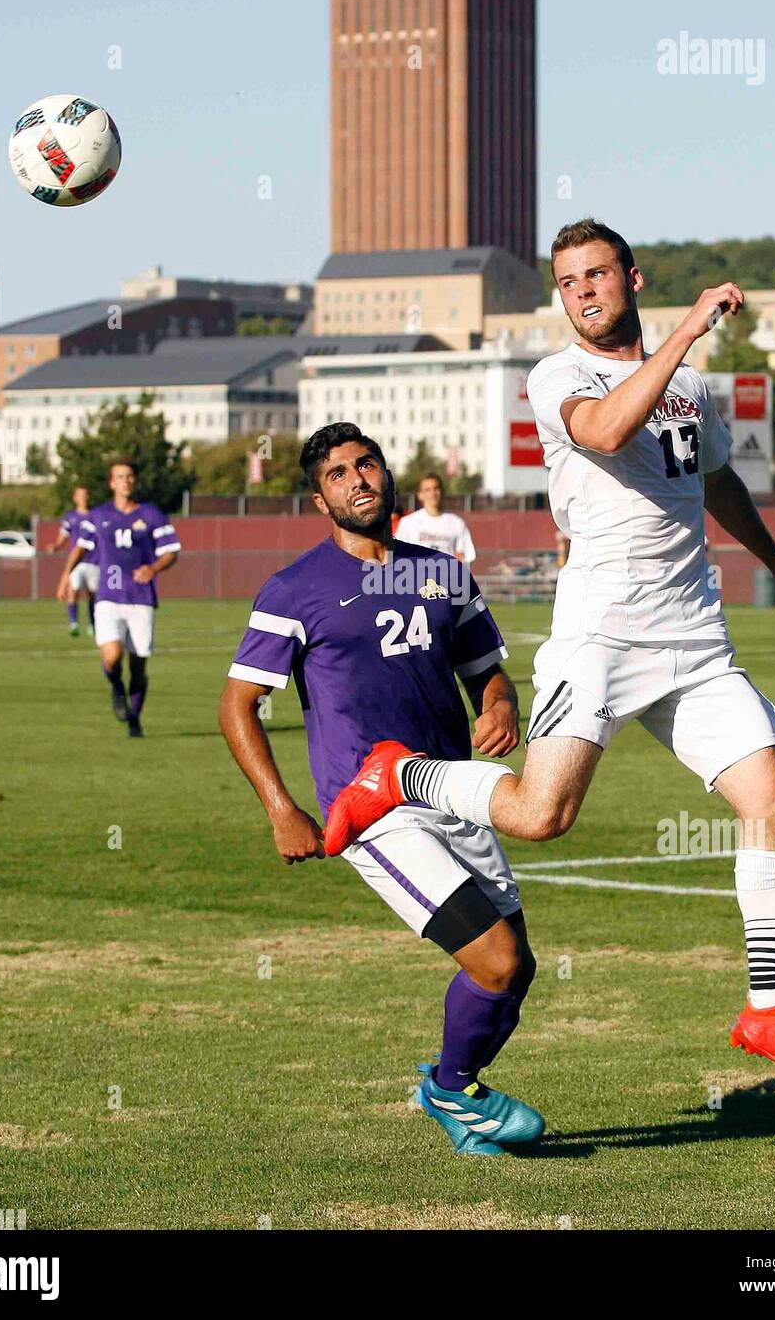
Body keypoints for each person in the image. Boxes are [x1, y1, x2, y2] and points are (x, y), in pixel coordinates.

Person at [324, 218, 775, 1086]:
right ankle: (397, 776)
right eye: (568, 283)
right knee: (540, 816)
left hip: (695, 638)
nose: (583, 292)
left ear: (632, 278)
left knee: (771, 796)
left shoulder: (690, 388)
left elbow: (717, 481)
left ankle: (767, 1008)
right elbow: (601, 431)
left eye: (596, 275)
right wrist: (683, 331)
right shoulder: (559, 373)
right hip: (599, 637)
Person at [218, 423, 544, 1156]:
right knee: (493, 960)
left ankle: (452, 1091)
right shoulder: (294, 588)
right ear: (319, 498)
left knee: (516, 970)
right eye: (338, 474)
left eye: (366, 465)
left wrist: (499, 707)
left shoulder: (443, 573)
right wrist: (282, 808)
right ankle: (454, 1091)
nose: (357, 479)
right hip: (372, 807)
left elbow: (487, 671)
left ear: (388, 475)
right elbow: (236, 705)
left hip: (452, 790)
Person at [55, 460, 181, 738]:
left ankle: (135, 718)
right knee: (112, 657)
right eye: (120, 477)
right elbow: (81, 547)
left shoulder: (151, 514)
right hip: (108, 597)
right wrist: (66, 576)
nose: (125, 481)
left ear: (134, 481)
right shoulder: (99, 516)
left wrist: (154, 568)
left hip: (140, 599)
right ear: (112, 483)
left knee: (138, 667)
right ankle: (116, 689)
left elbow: (171, 550)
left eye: (129, 476)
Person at [48, 485, 98, 636]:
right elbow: (64, 535)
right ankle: (74, 624)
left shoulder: (96, 516)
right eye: (80, 495)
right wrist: (56, 546)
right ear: (75, 498)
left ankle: (92, 624)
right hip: (76, 561)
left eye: (85, 494)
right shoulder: (71, 517)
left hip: (94, 560)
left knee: (93, 594)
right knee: (73, 591)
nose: (83, 497)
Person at [395, 473, 477, 562]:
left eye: (436, 488)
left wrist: (462, 559)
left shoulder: (456, 522)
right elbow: (397, 554)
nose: (433, 493)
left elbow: (468, 554)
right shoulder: (408, 522)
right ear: (419, 494)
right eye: (427, 490)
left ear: (442, 491)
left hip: (447, 574)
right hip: (417, 574)